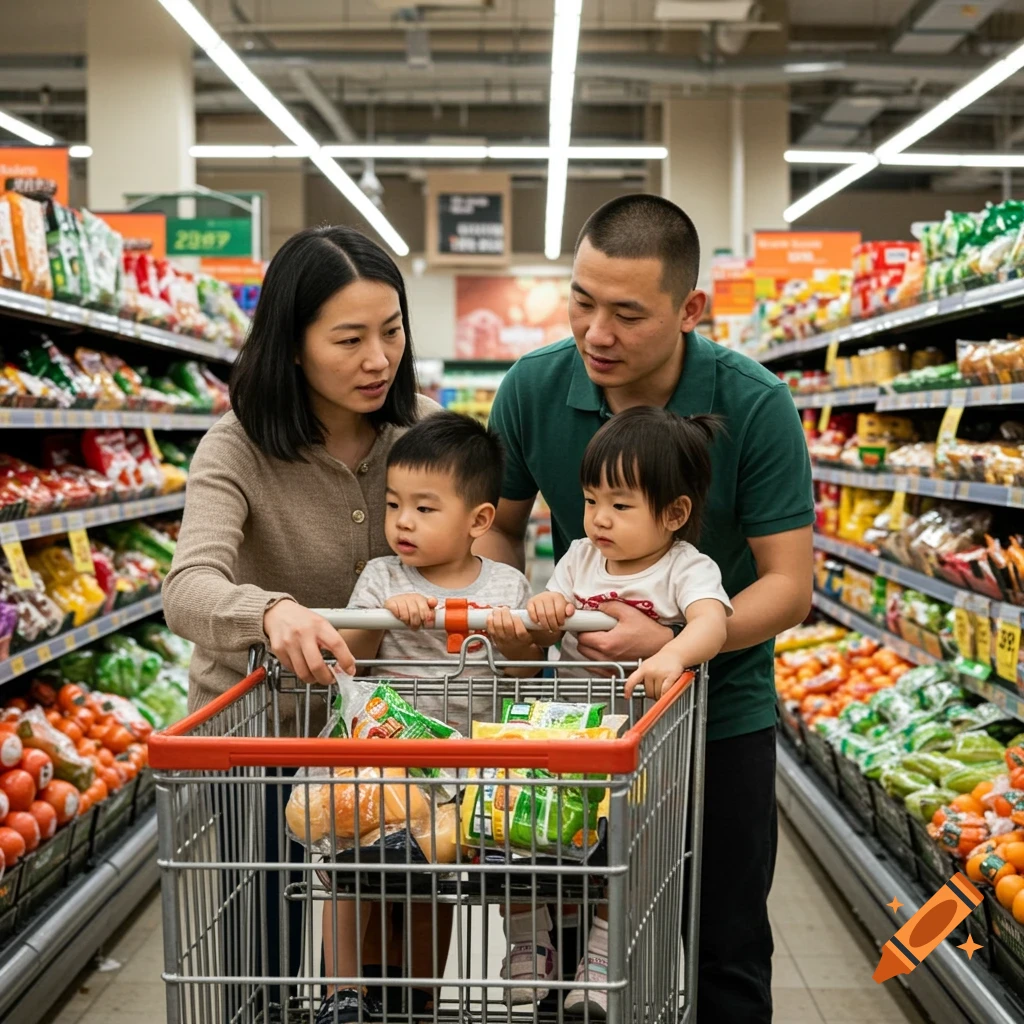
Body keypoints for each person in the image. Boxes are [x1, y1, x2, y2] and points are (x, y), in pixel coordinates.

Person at [478, 194, 814, 1024]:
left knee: (723, 947)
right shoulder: (534, 387)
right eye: (582, 302)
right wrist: (518, 622)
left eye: (627, 313)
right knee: (561, 940)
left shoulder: (756, 403)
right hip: (575, 715)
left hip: (717, 711)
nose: (596, 333)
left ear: (690, 309)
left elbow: (788, 583)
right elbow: (498, 535)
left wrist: (676, 639)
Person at [162, 224, 438, 1021]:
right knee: (264, 951)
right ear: (291, 345)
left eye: (391, 332)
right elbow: (188, 588)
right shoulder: (237, 446)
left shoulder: (422, 434)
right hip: (263, 730)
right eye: (348, 339)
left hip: (380, 736)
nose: (378, 359)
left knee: (392, 940)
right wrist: (271, 609)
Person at [488, 405, 732, 1015]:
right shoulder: (579, 558)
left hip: (643, 741)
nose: (599, 518)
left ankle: (602, 953)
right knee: (517, 824)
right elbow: (553, 600)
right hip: (570, 735)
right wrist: (546, 606)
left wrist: (673, 653)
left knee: (627, 855)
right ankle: (528, 941)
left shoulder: (685, 567)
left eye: (620, 505)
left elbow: (712, 622)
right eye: (592, 499)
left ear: (673, 513)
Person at [317, 411, 535, 1023]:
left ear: (479, 521)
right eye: (393, 505)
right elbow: (352, 661)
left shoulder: (506, 587)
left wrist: (515, 637)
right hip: (378, 757)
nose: (402, 522)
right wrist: (382, 614)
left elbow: (523, 677)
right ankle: (345, 994)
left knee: (430, 887)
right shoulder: (381, 575)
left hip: (459, 769)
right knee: (349, 870)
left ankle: (416, 998)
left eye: (424, 508)